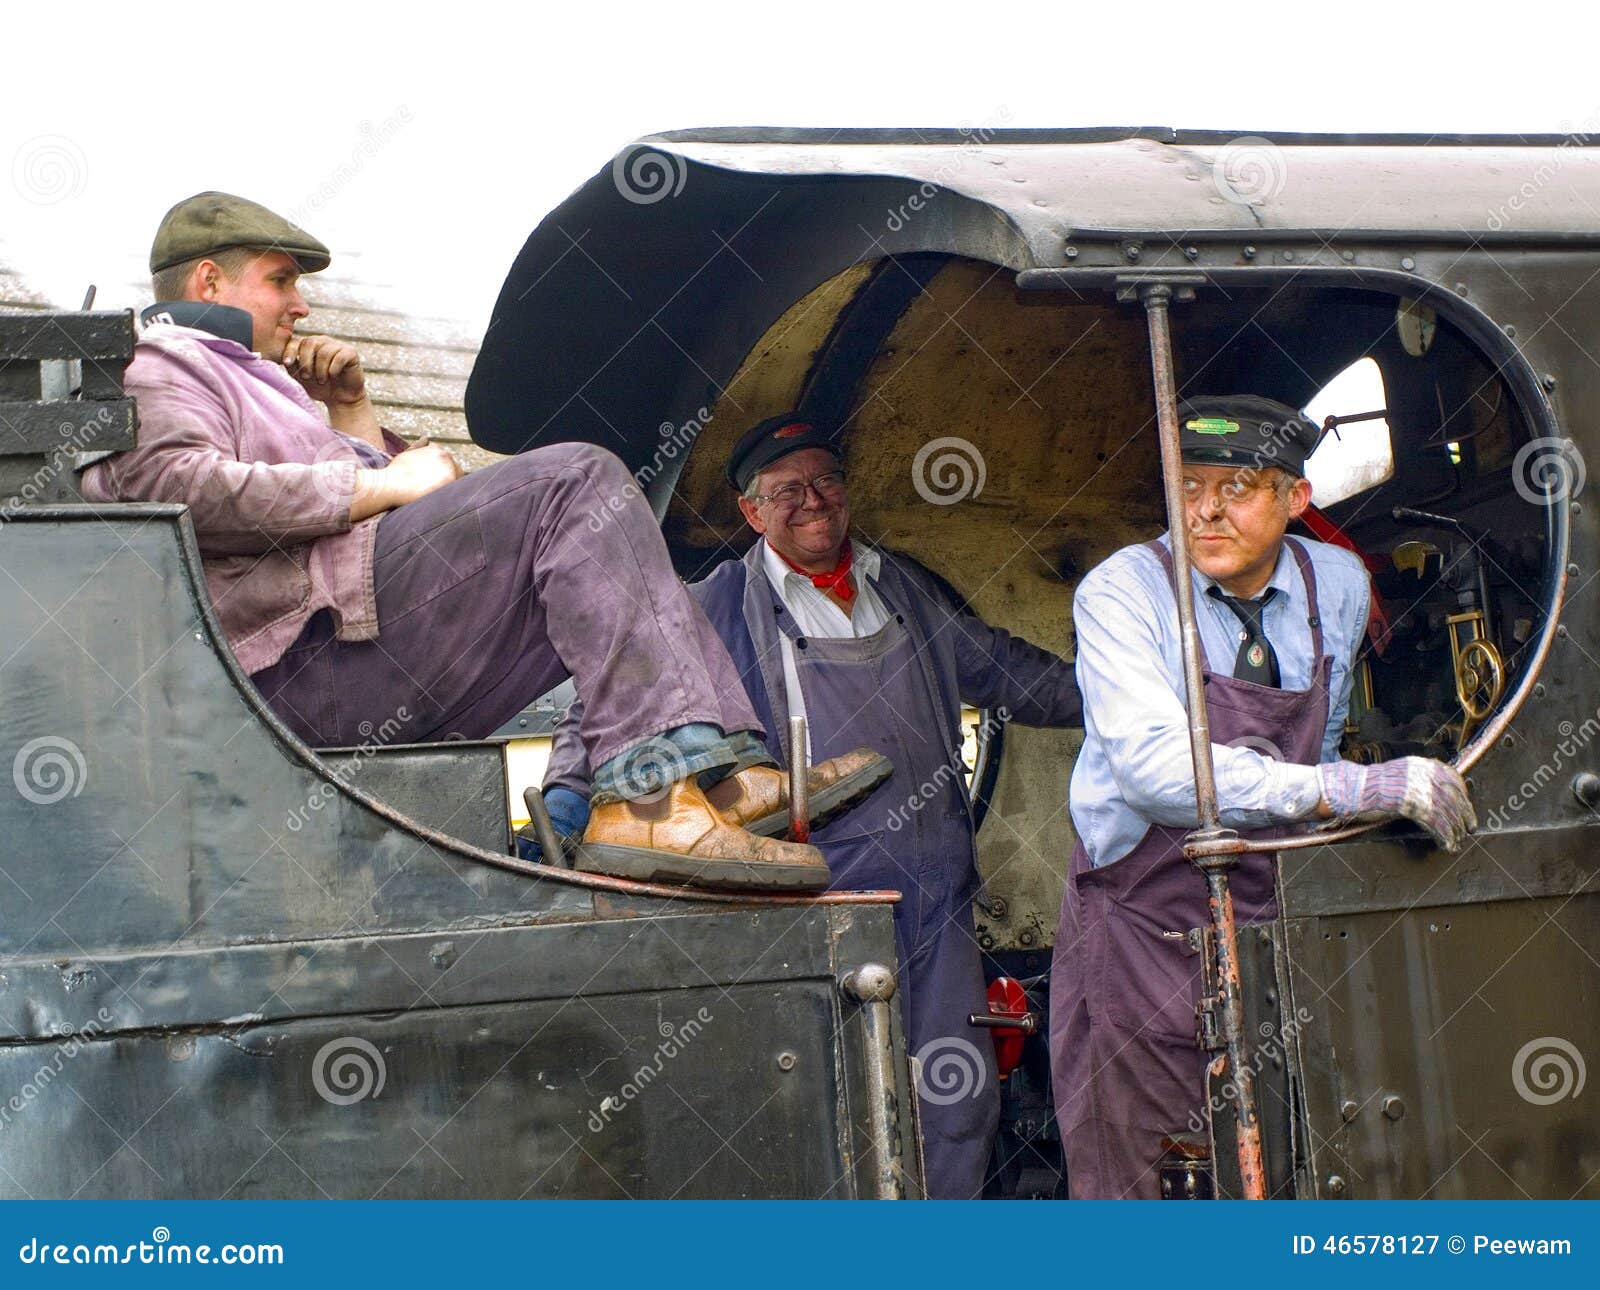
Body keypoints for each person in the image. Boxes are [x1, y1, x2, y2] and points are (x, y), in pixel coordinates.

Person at [81, 191, 875, 891]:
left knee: (598, 555)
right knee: (576, 481)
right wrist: (381, 483)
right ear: (208, 283)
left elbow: (399, 529)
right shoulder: (164, 361)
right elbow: (176, 489)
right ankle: (649, 801)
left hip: (343, 643)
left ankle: (714, 777)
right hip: (291, 669)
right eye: (281, 279)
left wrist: (354, 416)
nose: (301, 306)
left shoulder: (266, 384)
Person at [542, 412, 1083, 1198]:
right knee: (823, 1104)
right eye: (786, 490)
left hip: (937, 904)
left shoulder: (904, 589)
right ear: (751, 513)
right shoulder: (720, 602)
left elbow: (1004, 669)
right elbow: (614, 687)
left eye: (825, 481)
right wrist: (565, 792)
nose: (813, 500)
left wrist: (1121, 696)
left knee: (958, 1100)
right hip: (808, 903)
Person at [1048, 394, 1476, 1199]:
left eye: (1236, 488)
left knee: (1288, 1151)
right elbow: (1163, 774)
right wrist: (1346, 788)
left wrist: (1352, 795)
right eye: (1189, 486)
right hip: (1144, 922)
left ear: (1295, 499)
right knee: (1154, 1174)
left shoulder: (1337, 583)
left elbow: (1327, 724)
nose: (1205, 512)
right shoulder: (1123, 593)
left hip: (1276, 907)